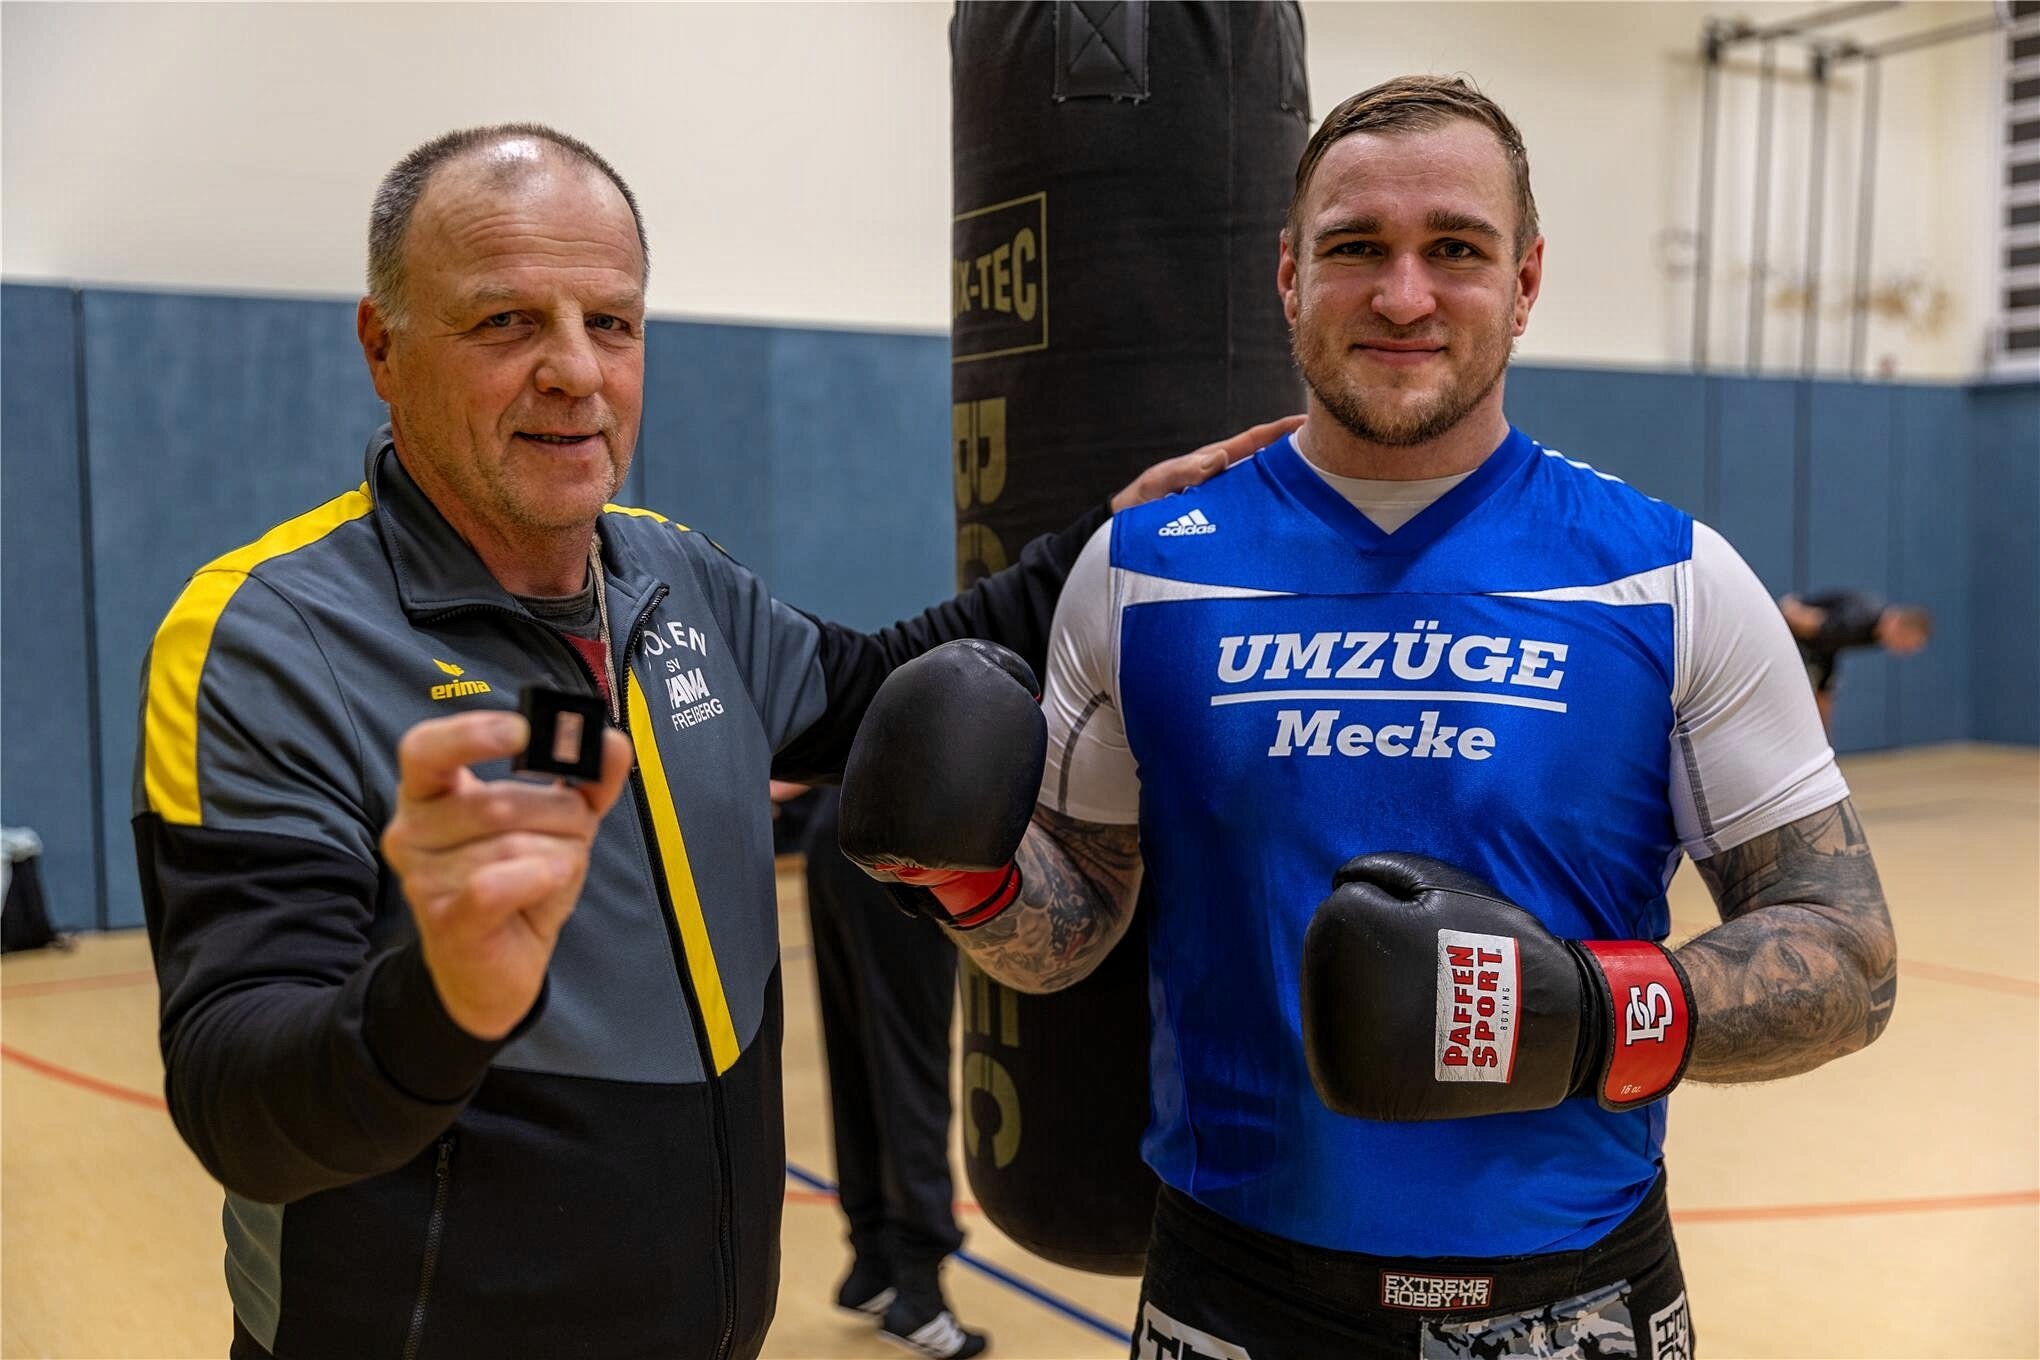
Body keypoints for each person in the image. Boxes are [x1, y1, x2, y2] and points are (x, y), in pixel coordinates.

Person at [132, 122, 1293, 1360]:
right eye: (506, 323)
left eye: (614, 322)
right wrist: (441, 1000)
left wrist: (1098, 542)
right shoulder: (266, 637)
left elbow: (870, 692)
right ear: (382, 345)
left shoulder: (668, 574)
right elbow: (237, 1099)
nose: (577, 371)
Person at [839, 77, 1898, 1357]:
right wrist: (972, 885)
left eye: (1455, 247)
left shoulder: (1668, 578)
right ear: (1289, 274)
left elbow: (1847, 954)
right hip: (1228, 1290)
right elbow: (1076, 930)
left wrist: (1585, 1013)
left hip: (1571, 1301)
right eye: (1356, 249)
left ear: (1526, 280)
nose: (1404, 295)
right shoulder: (1142, 571)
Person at [800, 787, 984, 1358]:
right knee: (909, 1063)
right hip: (909, 839)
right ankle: (919, 1297)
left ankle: (874, 1264)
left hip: (836, 825)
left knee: (856, 1050)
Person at [1780, 590, 1933, 731]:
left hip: (1825, 650)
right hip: (1796, 642)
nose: (1904, 651)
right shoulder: (1860, 617)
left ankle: (1822, 751)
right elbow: (1798, 617)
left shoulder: (1878, 633)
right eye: (1907, 645)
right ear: (1898, 625)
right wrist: (1788, 608)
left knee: (1825, 697)